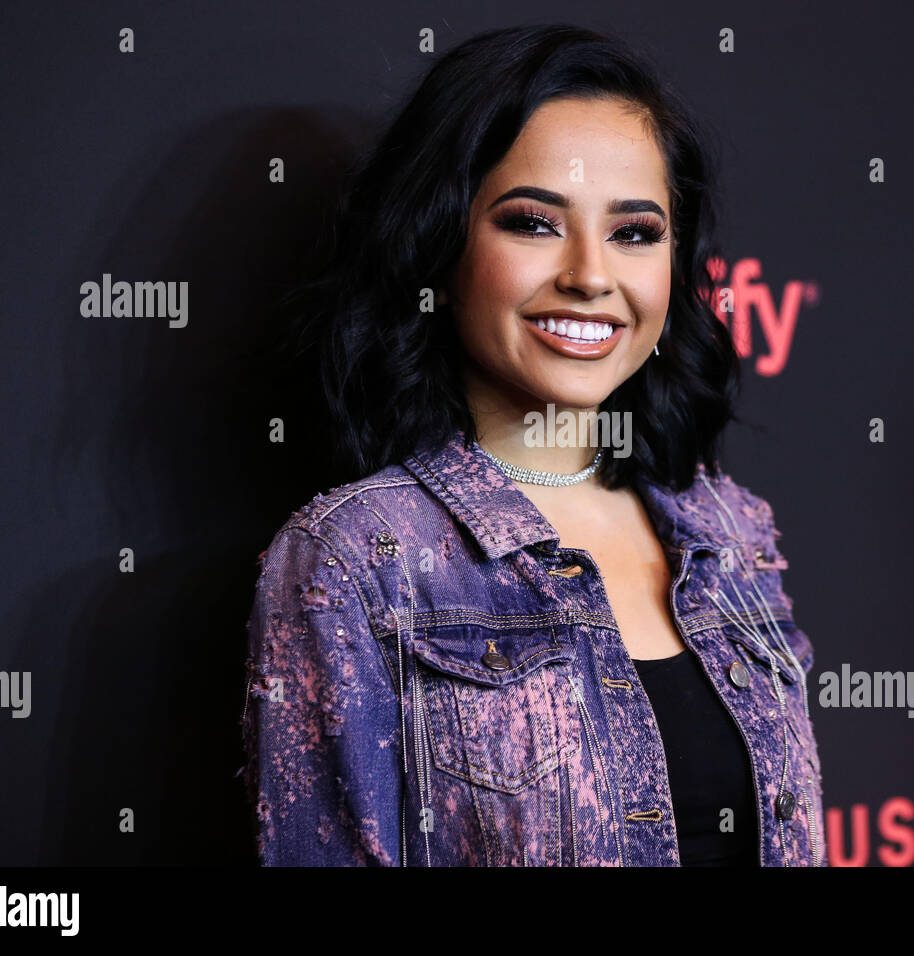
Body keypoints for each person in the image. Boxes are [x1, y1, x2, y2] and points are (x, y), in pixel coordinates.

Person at [239, 23, 825, 867]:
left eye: (635, 233)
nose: (592, 274)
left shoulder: (730, 528)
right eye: (533, 222)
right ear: (441, 245)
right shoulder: (354, 561)